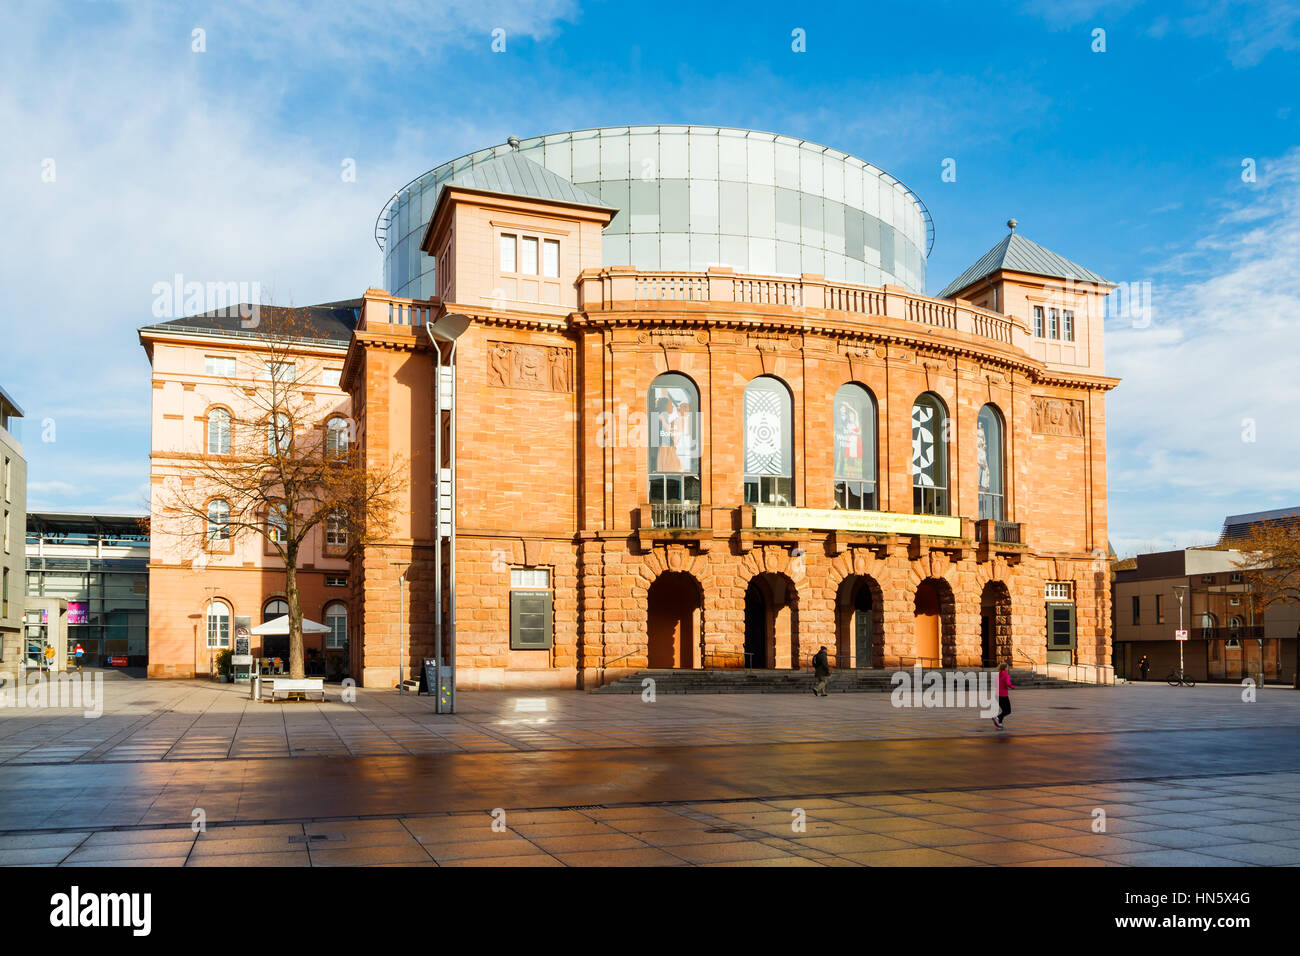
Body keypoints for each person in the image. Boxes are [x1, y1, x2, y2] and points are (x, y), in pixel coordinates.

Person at [993, 662, 1014, 730]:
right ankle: (997, 717)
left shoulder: (998, 675)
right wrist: (1012, 687)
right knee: (1008, 711)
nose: (1008, 668)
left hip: (997, 695)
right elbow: (1008, 683)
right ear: (1005, 668)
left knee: (1004, 710)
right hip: (1003, 695)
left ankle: (999, 724)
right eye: (1007, 667)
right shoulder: (1006, 675)